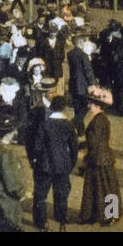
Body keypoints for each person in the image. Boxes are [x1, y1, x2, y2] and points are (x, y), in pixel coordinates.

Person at [23, 95, 78, 232]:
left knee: (40, 195)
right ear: (64, 108)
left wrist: (34, 160)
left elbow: (37, 146)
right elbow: (74, 148)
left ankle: (42, 223)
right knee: (61, 195)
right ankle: (62, 221)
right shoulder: (68, 125)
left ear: (51, 106)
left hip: (44, 165)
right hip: (62, 166)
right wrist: (70, 164)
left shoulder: (45, 124)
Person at [79, 86, 122, 226]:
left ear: (97, 106)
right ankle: (111, 214)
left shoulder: (97, 121)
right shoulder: (102, 119)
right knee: (108, 187)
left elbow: (95, 142)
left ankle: (102, 216)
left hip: (97, 159)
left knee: (98, 188)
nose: (89, 106)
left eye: (91, 104)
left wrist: (85, 154)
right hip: (105, 158)